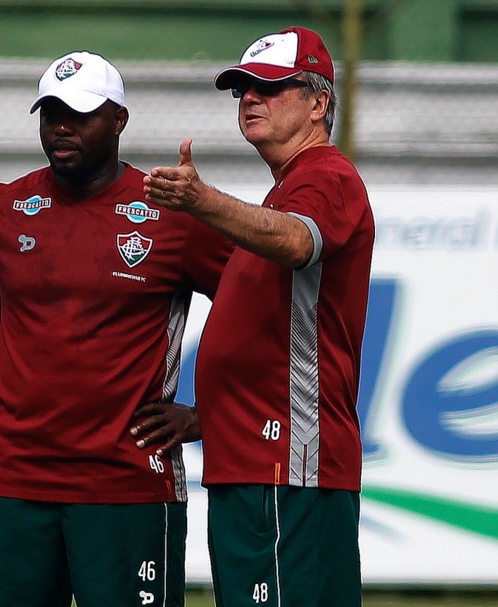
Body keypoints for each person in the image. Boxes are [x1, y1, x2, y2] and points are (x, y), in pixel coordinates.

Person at [0, 50, 230, 607]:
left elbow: (259, 314)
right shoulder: (3, 207)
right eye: (51, 114)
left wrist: (206, 414)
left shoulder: (173, 217)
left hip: (128, 484)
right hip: (15, 479)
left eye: (80, 114)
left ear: (118, 120)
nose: (61, 128)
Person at [137, 26, 375, 607]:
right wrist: (211, 417)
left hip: (287, 468)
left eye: (270, 87)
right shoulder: (284, 192)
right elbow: (272, 338)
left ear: (318, 104)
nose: (249, 97)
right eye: (242, 88)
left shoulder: (327, 176)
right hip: (254, 459)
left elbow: (296, 242)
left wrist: (201, 200)